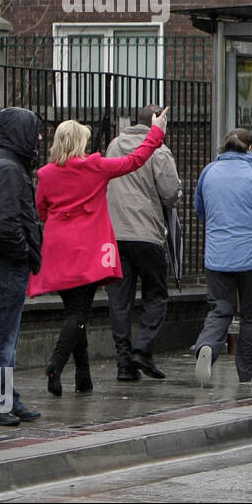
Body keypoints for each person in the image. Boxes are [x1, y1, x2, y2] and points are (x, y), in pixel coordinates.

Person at [28, 109, 169, 395]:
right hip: (87, 250)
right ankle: (56, 361)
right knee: (79, 314)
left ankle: (83, 376)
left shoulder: (46, 174)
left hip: (57, 249)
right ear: (79, 142)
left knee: (74, 310)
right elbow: (135, 160)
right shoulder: (95, 167)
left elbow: (40, 211)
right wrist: (157, 131)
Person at [192, 128, 252, 386]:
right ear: (250, 148)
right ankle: (248, 371)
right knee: (251, 314)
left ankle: (206, 346)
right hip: (251, 256)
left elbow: (200, 210)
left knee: (220, 308)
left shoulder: (208, 172)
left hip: (218, 255)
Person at [0, 107, 44, 427]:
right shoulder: (6, 168)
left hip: (5, 262)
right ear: (21, 132)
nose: (39, 137)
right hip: (5, 263)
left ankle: (8, 399)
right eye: (34, 130)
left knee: (7, 336)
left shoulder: (6, 164)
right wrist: (23, 251)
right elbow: (4, 223)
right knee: (3, 337)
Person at [105, 105, 181, 382]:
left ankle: (124, 364)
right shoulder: (158, 149)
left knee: (119, 301)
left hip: (114, 235)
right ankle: (143, 350)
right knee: (156, 295)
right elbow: (171, 193)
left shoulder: (114, 146)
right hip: (147, 235)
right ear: (156, 121)